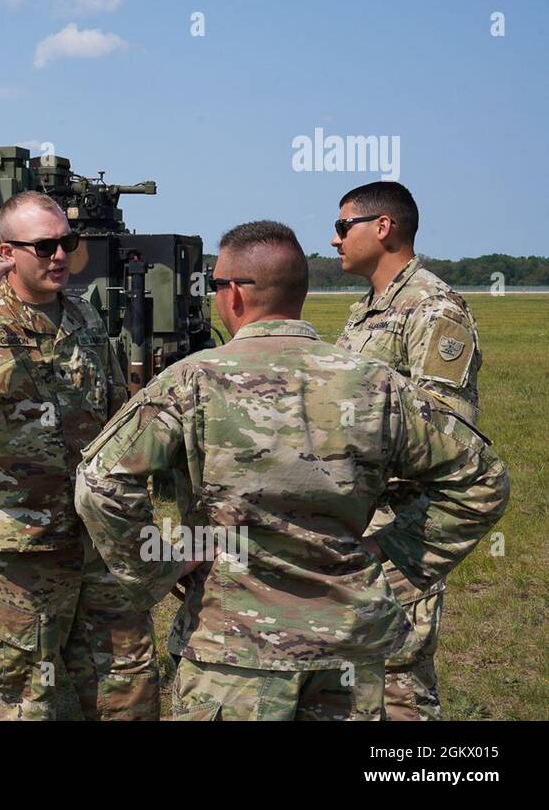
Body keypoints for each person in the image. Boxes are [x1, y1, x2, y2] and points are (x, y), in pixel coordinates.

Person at [75, 220, 508, 720]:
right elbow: (483, 479)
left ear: (234, 294)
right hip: (348, 645)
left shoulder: (191, 381)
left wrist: (159, 568)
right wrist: (393, 549)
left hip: (233, 651)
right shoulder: (377, 383)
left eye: (216, 285)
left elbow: (100, 482)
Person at [0, 190, 159, 720]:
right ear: (7, 252)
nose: (61, 255)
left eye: (67, 242)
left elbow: (117, 415)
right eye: (44, 246)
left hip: (98, 536)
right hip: (23, 545)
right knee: (23, 694)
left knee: (128, 683)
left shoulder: (83, 316)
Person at [331, 181, 482, 720]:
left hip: (398, 533)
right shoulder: (368, 309)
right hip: (360, 524)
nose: (334, 239)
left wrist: (391, 542)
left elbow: (450, 442)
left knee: (398, 688)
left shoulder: (433, 309)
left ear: (382, 227)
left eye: (343, 226)